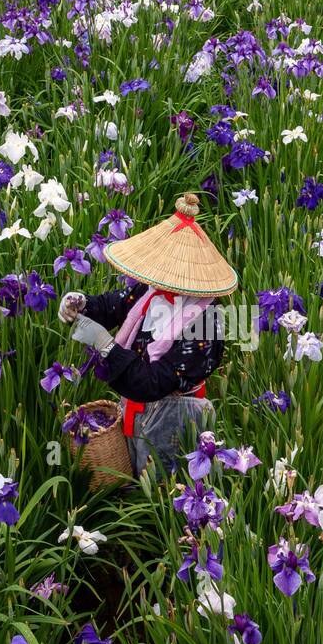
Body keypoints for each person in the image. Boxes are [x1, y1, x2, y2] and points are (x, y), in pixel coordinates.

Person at [58, 193, 238, 477]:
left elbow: (152, 383)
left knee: (162, 485)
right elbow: (114, 305)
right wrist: (81, 302)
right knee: (133, 472)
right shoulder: (152, 290)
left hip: (176, 417)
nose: (163, 276)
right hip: (136, 405)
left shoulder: (207, 321)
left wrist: (106, 346)